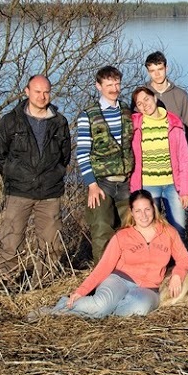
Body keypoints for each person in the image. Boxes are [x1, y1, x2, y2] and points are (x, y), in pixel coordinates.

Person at [28, 190, 188, 320]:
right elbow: (103, 267)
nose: (143, 215)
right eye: (138, 211)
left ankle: (104, 311)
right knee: (99, 305)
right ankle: (60, 308)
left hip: (148, 288)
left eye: (147, 209)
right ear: (132, 213)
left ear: (154, 209)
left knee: (139, 309)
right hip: (120, 279)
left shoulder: (169, 233)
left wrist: (178, 275)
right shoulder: (122, 236)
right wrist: (81, 291)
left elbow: (184, 259)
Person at [0, 74, 71, 282]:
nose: (42, 96)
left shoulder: (59, 122)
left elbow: (65, 155)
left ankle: (44, 281)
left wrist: (55, 174)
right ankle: (6, 282)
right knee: (11, 239)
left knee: (51, 242)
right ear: (27, 92)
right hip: (19, 191)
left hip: (50, 193)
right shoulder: (11, 121)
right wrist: (14, 174)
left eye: (46, 92)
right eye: (37, 91)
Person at [76, 65, 134, 264]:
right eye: (109, 84)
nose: (114, 88)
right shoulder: (88, 116)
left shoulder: (127, 112)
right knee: (101, 230)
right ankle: (102, 278)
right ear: (98, 86)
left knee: (131, 230)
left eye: (117, 83)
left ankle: (130, 273)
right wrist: (91, 185)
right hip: (102, 184)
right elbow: (82, 153)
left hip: (127, 182)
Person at [130, 86, 188, 239]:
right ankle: (155, 262)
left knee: (178, 230)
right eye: (140, 104)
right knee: (149, 230)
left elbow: (183, 158)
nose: (145, 104)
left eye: (146, 99)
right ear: (137, 108)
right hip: (147, 185)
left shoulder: (173, 123)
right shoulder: (135, 126)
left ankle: (180, 262)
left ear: (155, 98)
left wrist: (186, 190)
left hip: (172, 185)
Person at [144, 51, 188, 149]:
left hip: (176, 150)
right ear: (148, 72)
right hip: (149, 153)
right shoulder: (142, 95)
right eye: (152, 71)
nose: (157, 74)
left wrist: (185, 151)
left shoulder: (180, 95)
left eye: (160, 69)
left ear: (166, 68)